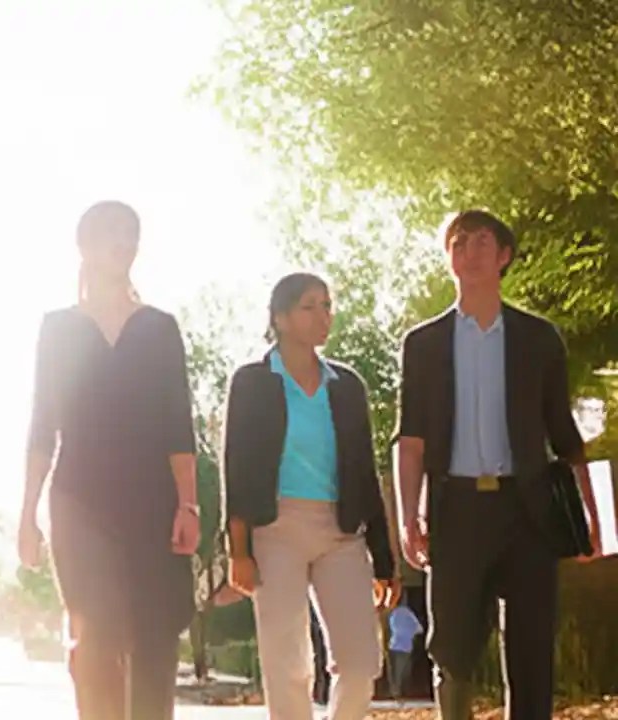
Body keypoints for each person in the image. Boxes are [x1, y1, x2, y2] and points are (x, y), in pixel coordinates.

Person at [394, 209, 602, 720]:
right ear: (449, 259)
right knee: (453, 651)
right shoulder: (423, 344)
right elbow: (410, 438)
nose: (470, 251)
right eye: (459, 243)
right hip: (456, 509)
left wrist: (599, 521)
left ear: (504, 255)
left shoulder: (539, 338)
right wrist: (407, 517)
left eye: (482, 241)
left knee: (532, 651)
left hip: (528, 510)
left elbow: (566, 434)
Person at [19, 200, 201, 720]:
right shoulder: (57, 328)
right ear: (85, 246)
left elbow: (177, 423)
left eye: (130, 234)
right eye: (111, 234)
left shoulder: (159, 328)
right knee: (93, 639)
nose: (123, 243)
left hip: (151, 500)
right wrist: (28, 514)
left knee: (154, 640)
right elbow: (41, 425)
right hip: (79, 501)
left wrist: (188, 504)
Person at [223, 272, 398, 720]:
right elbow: (237, 470)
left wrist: (384, 558)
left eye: (327, 305)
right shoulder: (252, 382)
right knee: (288, 666)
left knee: (361, 663)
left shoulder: (347, 385)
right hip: (274, 529)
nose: (323, 315)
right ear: (280, 318)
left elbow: (363, 470)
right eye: (309, 306)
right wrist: (237, 549)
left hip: (340, 532)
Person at [387, 604, 423, 701]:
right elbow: (419, 629)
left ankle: (394, 691)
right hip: (406, 646)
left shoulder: (392, 613)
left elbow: (390, 627)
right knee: (404, 669)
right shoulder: (409, 614)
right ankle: (402, 692)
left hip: (393, 645)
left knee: (395, 670)